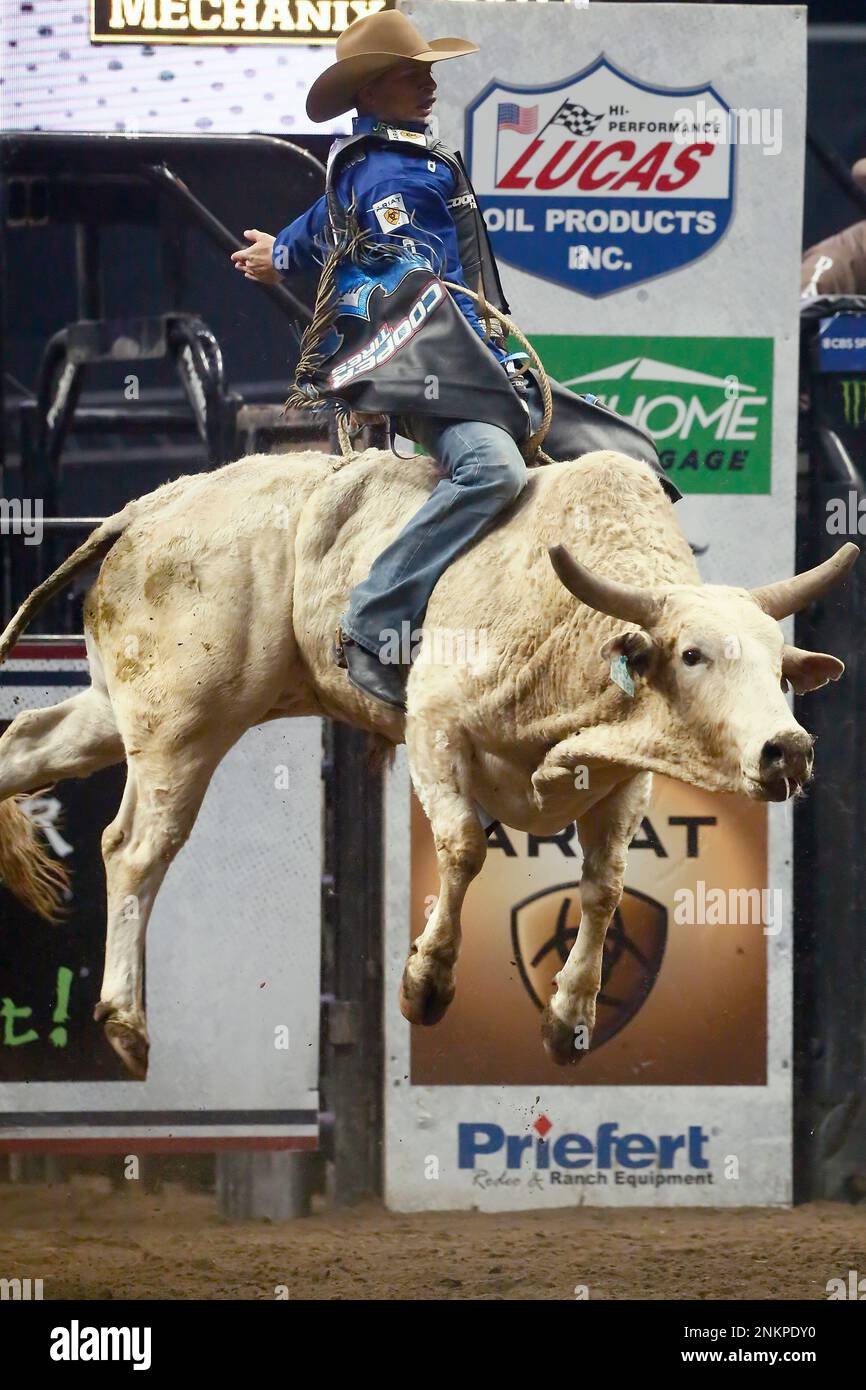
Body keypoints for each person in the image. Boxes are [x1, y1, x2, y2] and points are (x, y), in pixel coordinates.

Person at [231, 10, 547, 711]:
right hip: (439, 371)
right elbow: (421, 291)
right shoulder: (392, 179)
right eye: (412, 74)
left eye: (429, 71)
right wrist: (495, 371)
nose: (429, 84)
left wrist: (277, 253)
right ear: (372, 91)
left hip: (453, 361)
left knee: (596, 457)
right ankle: (375, 619)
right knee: (494, 469)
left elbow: (324, 228)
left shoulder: (380, 160)